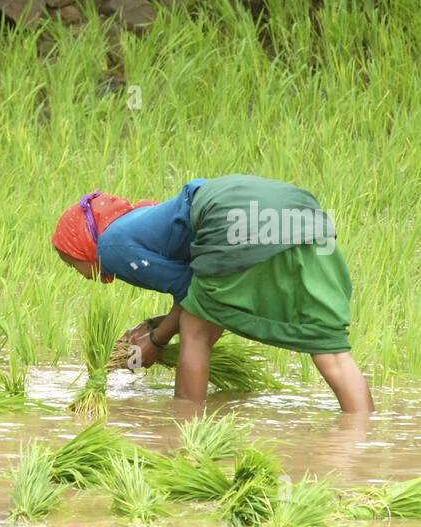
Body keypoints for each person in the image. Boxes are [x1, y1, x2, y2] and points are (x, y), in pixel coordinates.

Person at [51, 174, 373, 413]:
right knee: (330, 347)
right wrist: (155, 325)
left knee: (195, 329)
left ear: (83, 245)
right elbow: (201, 289)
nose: (78, 274)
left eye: (70, 263)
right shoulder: (136, 223)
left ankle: (185, 430)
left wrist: (157, 341)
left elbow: (192, 293)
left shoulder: (110, 247)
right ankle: (364, 442)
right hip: (300, 211)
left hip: (228, 214)